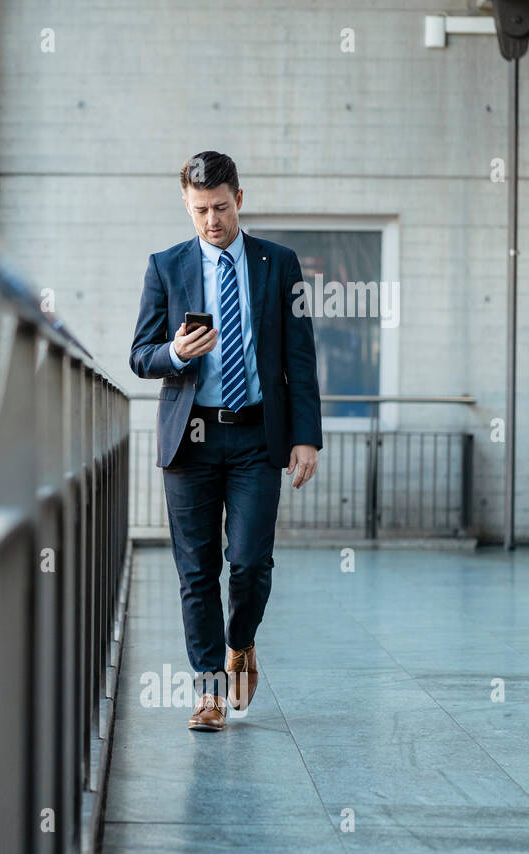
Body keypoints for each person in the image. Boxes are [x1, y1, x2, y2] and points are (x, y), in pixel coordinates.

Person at [128, 150, 322, 731]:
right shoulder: (166, 267)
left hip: (257, 437)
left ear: (240, 197)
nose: (210, 221)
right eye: (198, 210)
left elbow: (299, 357)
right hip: (190, 442)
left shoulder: (279, 264)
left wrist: (305, 438)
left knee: (250, 563)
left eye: (218, 207)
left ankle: (241, 641)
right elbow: (140, 355)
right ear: (186, 206)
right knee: (196, 570)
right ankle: (209, 691)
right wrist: (173, 354)